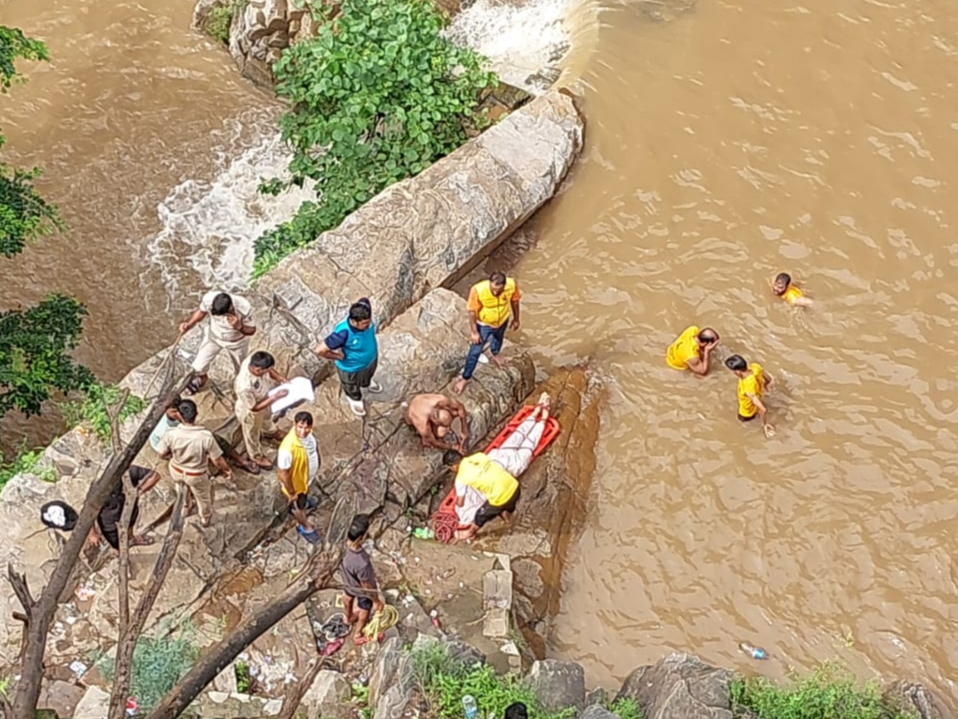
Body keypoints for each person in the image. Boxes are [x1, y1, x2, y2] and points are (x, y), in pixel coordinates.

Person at [442, 394, 551, 542]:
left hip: (507, 485)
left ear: (453, 466)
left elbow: (460, 502)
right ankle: (538, 413)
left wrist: (458, 506)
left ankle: (469, 533)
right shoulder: (477, 457)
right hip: (511, 479)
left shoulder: (461, 478)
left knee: (480, 516)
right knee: (519, 435)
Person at [156, 399, 234, 527]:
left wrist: (172, 455)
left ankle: (186, 507)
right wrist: (226, 470)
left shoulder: (170, 434)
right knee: (203, 497)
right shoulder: (205, 436)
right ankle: (205, 517)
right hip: (196, 474)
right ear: (196, 414)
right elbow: (217, 460)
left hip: (176, 470)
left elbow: (161, 453)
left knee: (181, 488)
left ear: (179, 415)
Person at [454, 271, 522, 394]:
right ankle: (465, 377)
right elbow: (472, 312)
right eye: (493, 289)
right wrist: (474, 332)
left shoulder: (511, 286)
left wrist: (516, 319)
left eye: (499, 290)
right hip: (484, 325)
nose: (495, 293)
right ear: (489, 283)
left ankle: (495, 353)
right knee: (475, 351)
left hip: (502, 320)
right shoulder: (478, 290)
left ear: (504, 286)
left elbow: (515, 301)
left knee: (498, 337)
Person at [179, 291, 256, 395]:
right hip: (214, 337)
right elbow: (201, 312)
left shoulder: (244, 308)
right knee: (198, 366)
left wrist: (239, 327)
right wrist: (189, 324)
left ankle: (242, 387)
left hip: (237, 343)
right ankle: (201, 378)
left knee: (241, 368)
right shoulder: (209, 298)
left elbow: (252, 330)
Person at [314, 298, 381, 417]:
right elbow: (320, 350)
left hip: (370, 360)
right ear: (355, 322)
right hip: (352, 368)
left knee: (368, 375)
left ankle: (366, 383)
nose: (368, 325)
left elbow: (364, 300)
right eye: (365, 324)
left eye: (369, 322)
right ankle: (354, 399)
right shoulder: (343, 333)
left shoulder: (364, 308)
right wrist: (337, 356)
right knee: (351, 385)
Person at [234, 351, 288, 470]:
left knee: (266, 419)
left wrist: (280, 378)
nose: (268, 372)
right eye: (265, 371)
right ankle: (256, 456)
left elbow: (270, 370)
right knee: (252, 433)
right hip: (251, 411)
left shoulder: (254, 359)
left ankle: (271, 431)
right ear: (258, 370)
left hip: (264, 399)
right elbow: (254, 407)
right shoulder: (244, 386)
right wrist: (275, 397)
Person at [89, 465, 161, 550]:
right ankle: (120, 552)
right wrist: (92, 534)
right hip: (111, 525)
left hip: (130, 511)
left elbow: (155, 476)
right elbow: (88, 513)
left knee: (130, 526)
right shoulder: (97, 491)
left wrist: (139, 491)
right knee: (117, 544)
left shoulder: (127, 473)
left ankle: (131, 539)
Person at [277, 411, 321, 544]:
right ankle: (305, 526)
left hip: (305, 481)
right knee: (297, 507)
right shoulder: (287, 448)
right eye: (300, 427)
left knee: (304, 499)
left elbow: (314, 450)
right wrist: (291, 493)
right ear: (294, 425)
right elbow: (283, 472)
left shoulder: (310, 436)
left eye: (307, 427)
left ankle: (305, 503)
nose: (304, 430)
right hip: (295, 487)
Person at [341, 514, 383, 645]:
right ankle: (358, 633)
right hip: (360, 589)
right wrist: (375, 600)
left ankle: (348, 618)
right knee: (365, 608)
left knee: (347, 596)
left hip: (347, 582)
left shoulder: (340, 546)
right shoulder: (361, 562)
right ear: (361, 537)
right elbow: (366, 585)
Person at [725, 355, 775, 438]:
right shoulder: (755, 367)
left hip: (747, 413)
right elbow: (769, 379)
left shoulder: (747, 386)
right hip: (758, 399)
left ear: (738, 372)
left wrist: (764, 424)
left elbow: (763, 409)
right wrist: (764, 386)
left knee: (743, 426)